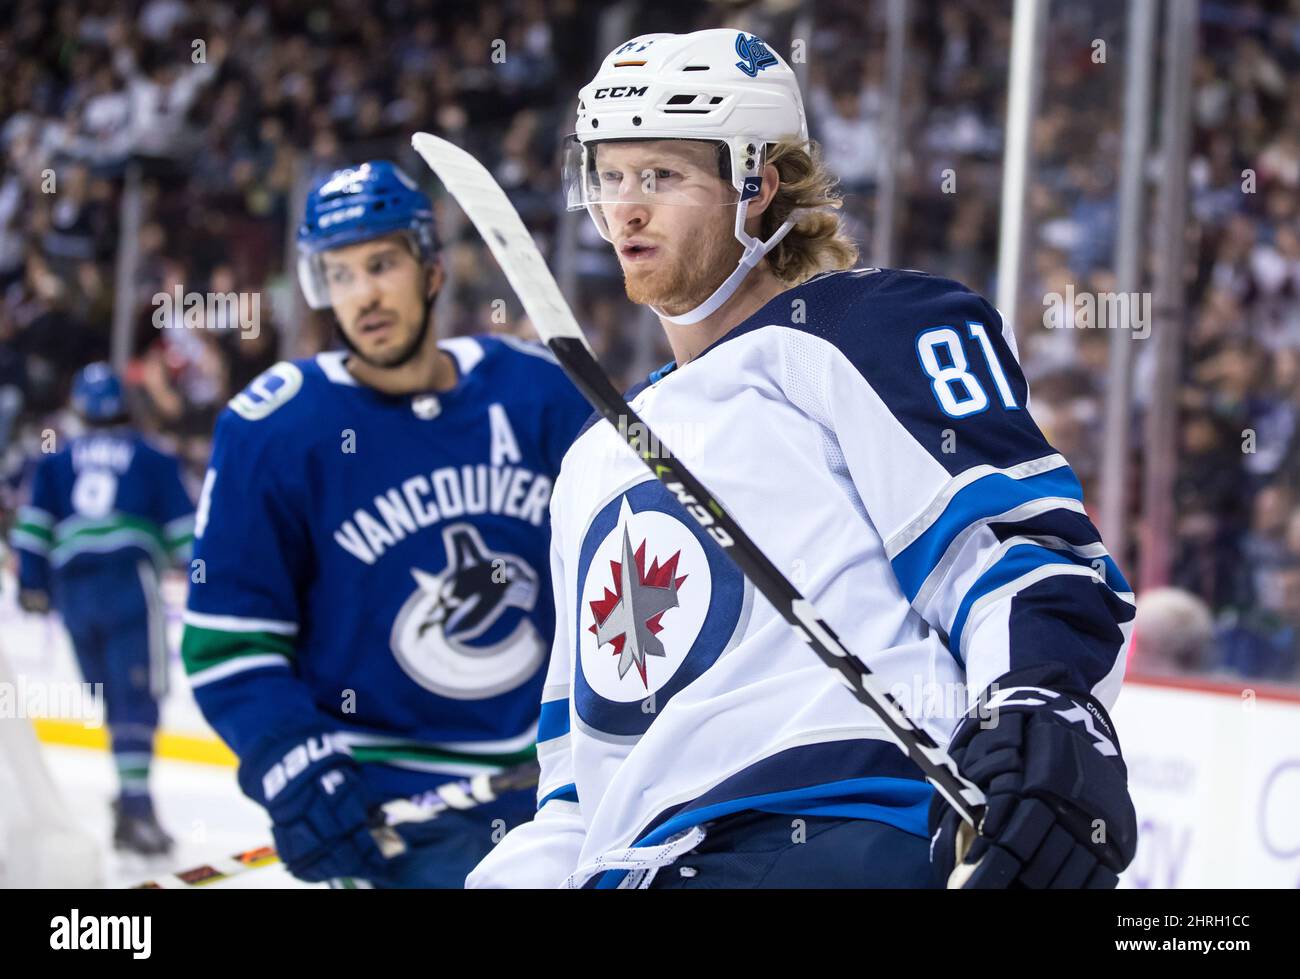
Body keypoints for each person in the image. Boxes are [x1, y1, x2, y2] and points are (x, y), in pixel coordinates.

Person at [469, 30, 1138, 889]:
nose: (624, 209)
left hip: (849, 832)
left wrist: (1038, 707)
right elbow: (578, 787)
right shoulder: (596, 455)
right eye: (609, 176)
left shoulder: (869, 325)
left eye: (662, 177)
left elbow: (1012, 554)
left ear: (758, 185)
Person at [181, 160, 591, 887]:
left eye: (380, 264)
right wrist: (296, 766)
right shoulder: (275, 428)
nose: (363, 294)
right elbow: (229, 644)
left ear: (431, 270)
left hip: (557, 798)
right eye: (338, 275)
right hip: (388, 813)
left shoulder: (541, 396)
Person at [10, 362, 193, 856]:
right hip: (127, 585)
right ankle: (136, 807)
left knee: (111, 699)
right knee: (135, 701)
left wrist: (32, 583)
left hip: (73, 593)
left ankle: (132, 803)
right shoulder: (152, 457)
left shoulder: (55, 459)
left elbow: (32, 527)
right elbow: (184, 534)